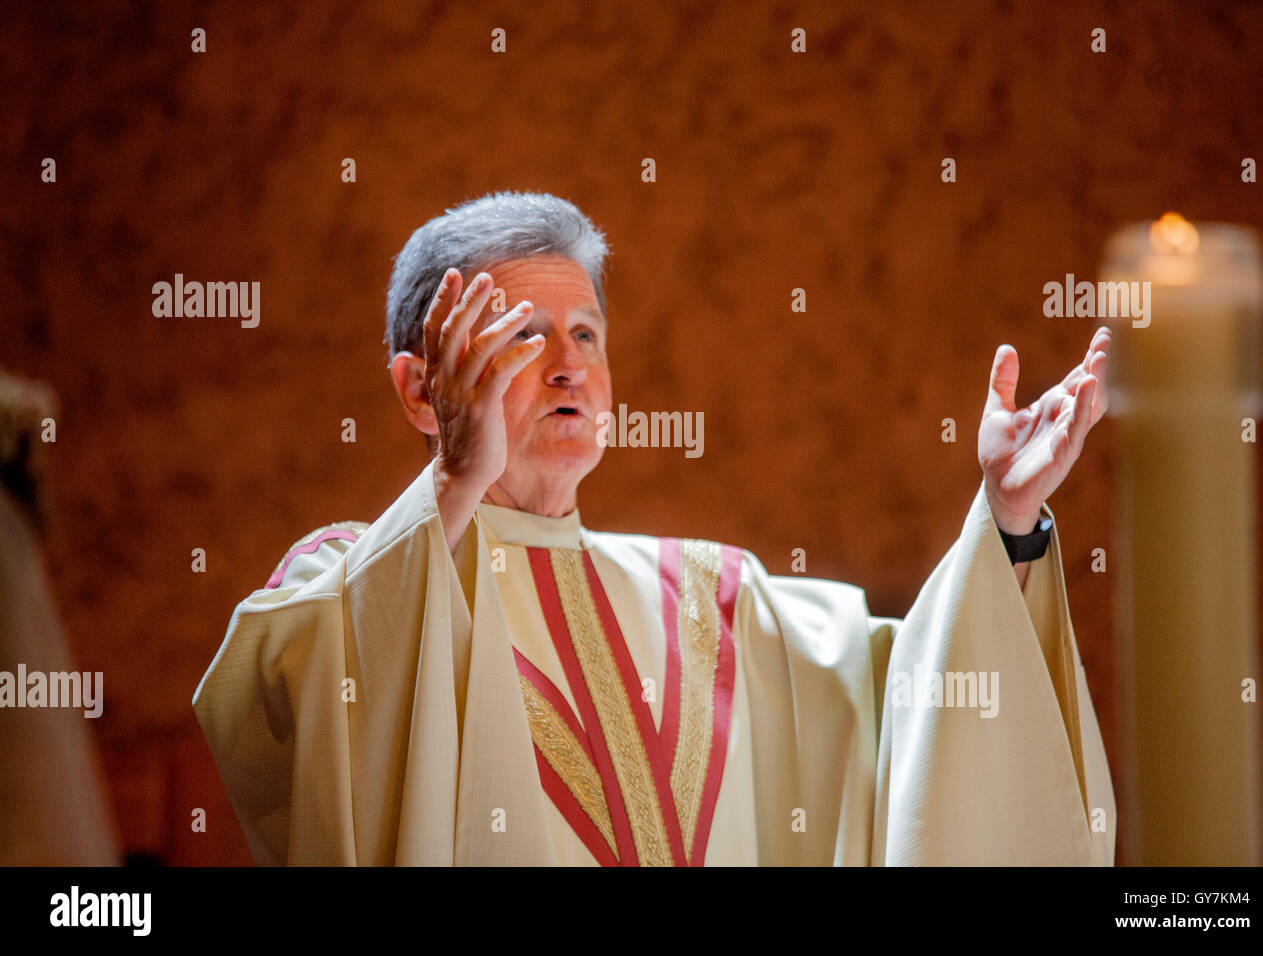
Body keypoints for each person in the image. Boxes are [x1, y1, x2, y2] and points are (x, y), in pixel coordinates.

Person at [193, 191, 1115, 866]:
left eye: (585, 335)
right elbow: (297, 723)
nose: (566, 368)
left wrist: (1008, 521)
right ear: (419, 389)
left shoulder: (716, 595)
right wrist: (453, 481)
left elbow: (921, 715)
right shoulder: (354, 573)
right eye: (519, 336)